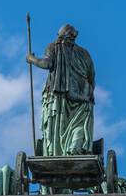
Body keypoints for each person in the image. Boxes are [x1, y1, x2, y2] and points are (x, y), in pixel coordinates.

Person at [26, 24, 95, 156]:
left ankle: (59, 152)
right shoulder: (84, 53)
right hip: (82, 98)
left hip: (60, 97)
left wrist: (31, 58)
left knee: (59, 126)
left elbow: (47, 63)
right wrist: (87, 92)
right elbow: (92, 76)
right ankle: (74, 149)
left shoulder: (54, 47)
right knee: (78, 125)